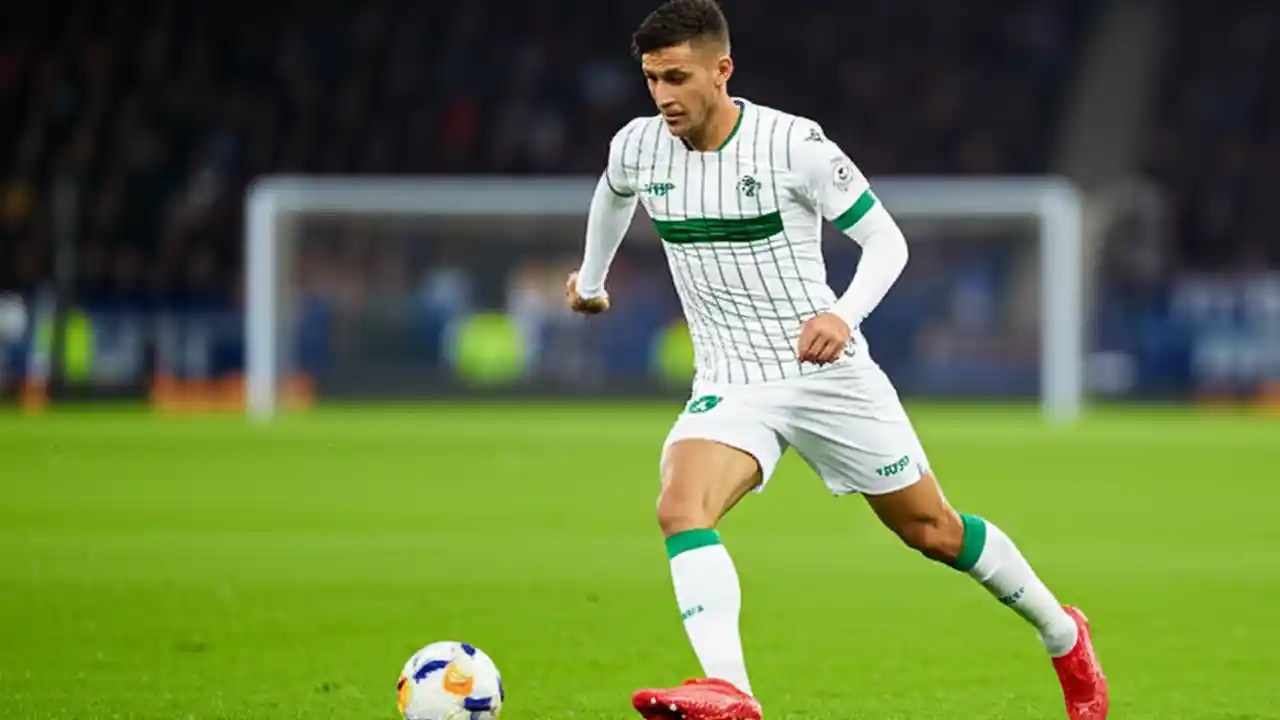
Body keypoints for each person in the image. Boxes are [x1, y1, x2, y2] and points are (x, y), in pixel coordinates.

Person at [565, 1, 1108, 718]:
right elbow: (614, 194)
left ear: (722, 69)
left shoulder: (794, 146)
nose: (664, 95)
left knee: (932, 530)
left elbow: (888, 243)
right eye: (652, 79)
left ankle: (1063, 635)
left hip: (827, 375)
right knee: (679, 506)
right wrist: (593, 280)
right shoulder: (638, 146)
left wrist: (840, 315)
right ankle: (730, 689)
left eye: (678, 76)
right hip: (731, 379)